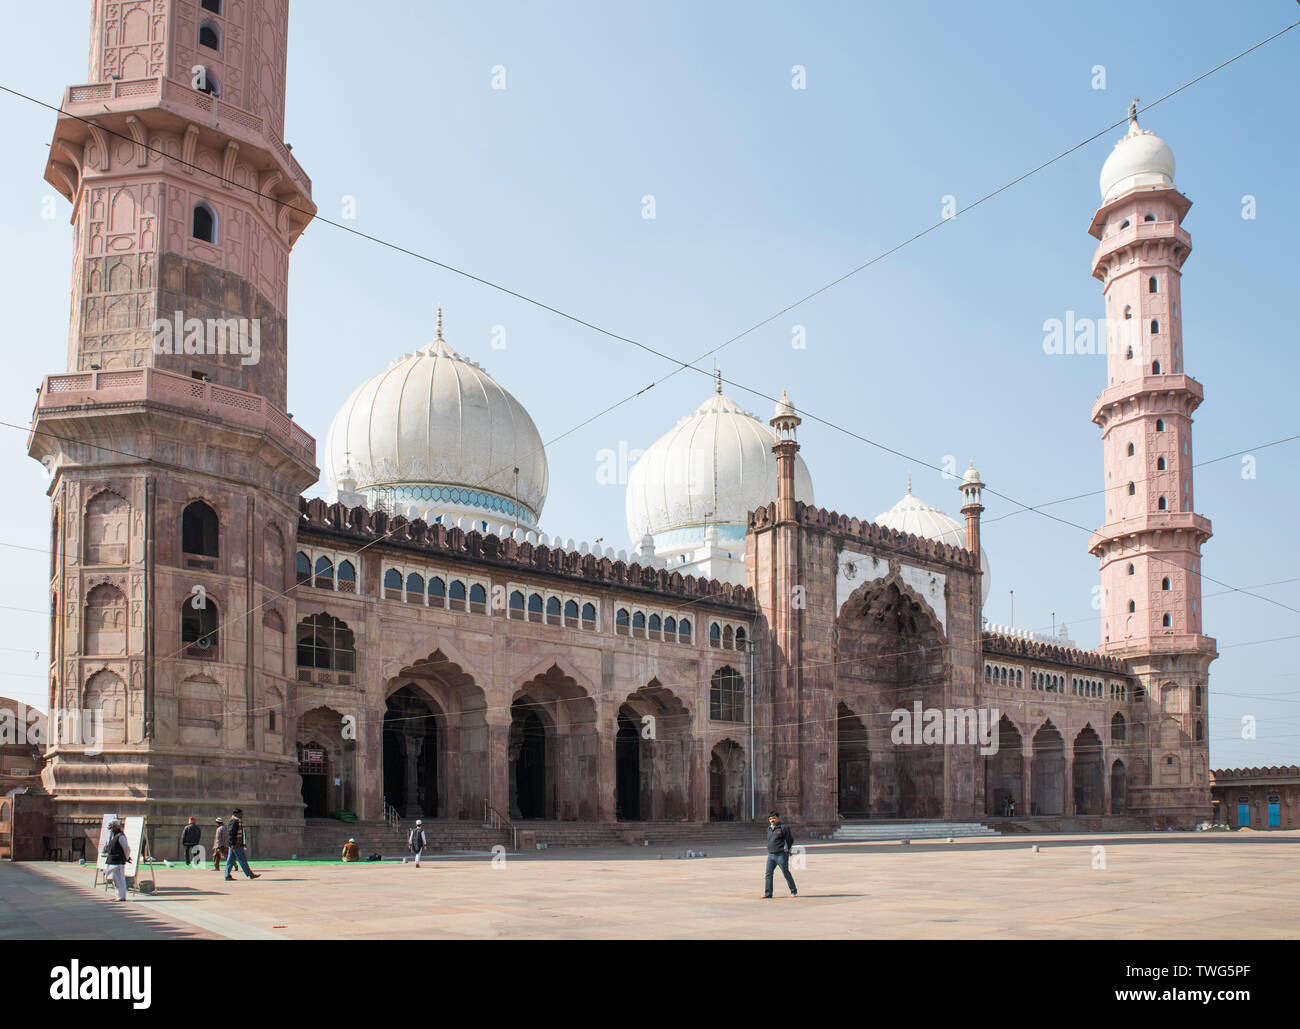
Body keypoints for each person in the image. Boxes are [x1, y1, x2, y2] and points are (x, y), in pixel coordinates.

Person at [762, 811, 797, 899]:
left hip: (781, 854)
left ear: (778, 818)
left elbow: (790, 839)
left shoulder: (783, 828)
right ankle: (768, 893)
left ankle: (793, 891)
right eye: (770, 819)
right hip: (771, 855)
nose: (772, 820)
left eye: (774, 818)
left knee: (785, 872)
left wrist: (787, 849)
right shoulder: (769, 829)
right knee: (768, 874)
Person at [224, 808, 260, 881]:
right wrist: (233, 844)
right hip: (236, 845)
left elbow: (240, 834)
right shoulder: (234, 821)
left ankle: (227, 875)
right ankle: (250, 874)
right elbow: (231, 833)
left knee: (230, 860)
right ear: (236, 814)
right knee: (242, 860)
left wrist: (242, 843)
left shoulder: (236, 821)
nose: (242, 815)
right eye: (241, 814)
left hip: (236, 844)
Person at [100, 819, 131, 901]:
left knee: (120, 879)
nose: (111, 829)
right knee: (115, 879)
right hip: (114, 861)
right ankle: (118, 896)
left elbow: (127, 849)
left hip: (119, 861)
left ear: (116, 826)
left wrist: (126, 858)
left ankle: (121, 896)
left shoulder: (120, 836)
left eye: (112, 826)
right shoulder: (114, 836)